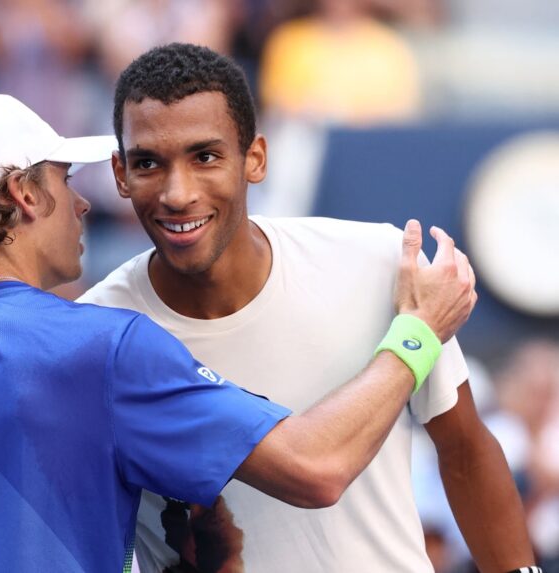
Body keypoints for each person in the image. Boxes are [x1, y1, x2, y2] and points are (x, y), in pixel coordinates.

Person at [0, 94, 475, 572]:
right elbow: (316, 466)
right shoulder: (101, 347)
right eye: (64, 181)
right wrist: (417, 333)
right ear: (20, 195)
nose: (81, 205)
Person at [78, 43, 535, 572]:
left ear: (255, 158)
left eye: (205, 156)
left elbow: (464, 451)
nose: (177, 193)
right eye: (149, 163)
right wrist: (419, 333)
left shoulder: (376, 262)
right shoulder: (97, 333)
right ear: (119, 173)